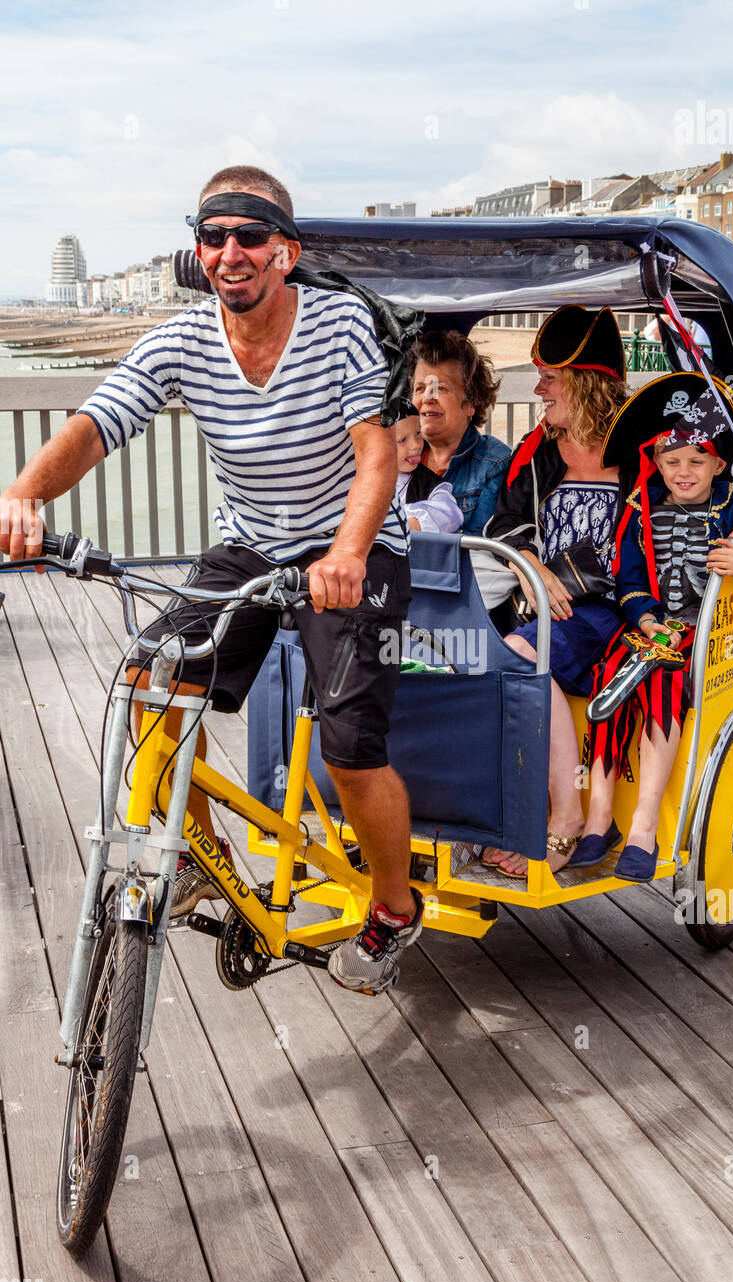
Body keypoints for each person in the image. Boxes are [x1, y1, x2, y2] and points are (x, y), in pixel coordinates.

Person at [0, 165, 420, 996]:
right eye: (213, 237)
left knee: (349, 746)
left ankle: (393, 908)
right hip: (250, 546)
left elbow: (375, 456)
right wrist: (22, 496)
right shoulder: (182, 340)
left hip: (353, 547)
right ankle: (200, 858)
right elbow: (95, 428)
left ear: (285, 252)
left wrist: (343, 554)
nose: (231, 252)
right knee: (149, 681)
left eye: (250, 237)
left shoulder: (337, 326)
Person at [481, 308, 733, 879]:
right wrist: (533, 566)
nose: (539, 388)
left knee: (520, 655)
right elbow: (505, 525)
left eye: (550, 375)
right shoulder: (539, 453)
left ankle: (568, 814)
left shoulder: (645, 450)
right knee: (486, 656)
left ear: (584, 380)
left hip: (616, 608)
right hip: (558, 605)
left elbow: (729, 480)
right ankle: (520, 810)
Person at [582, 377, 733, 881]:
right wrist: (645, 620)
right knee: (608, 678)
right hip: (651, 630)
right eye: (672, 461)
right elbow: (629, 579)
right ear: (657, 463)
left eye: (696, 460)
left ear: (719, 464)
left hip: (707, 638)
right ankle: (600, 816)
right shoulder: (643, 505)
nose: (683, 472)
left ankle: (644, 824)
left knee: (660, 679)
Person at [408, 330, 510, 534]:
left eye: (441, 388)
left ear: (472, 402)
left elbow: (480, 548)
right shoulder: (394, 457)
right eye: (419, 389)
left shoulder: (495, 464)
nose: (427, 398)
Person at [393, 404, 462, 533]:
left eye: (418, 434)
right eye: (402, 440)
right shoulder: (357, 478)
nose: (415, 445)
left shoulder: (431, 486)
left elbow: (450, 514)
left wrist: (403, 524)